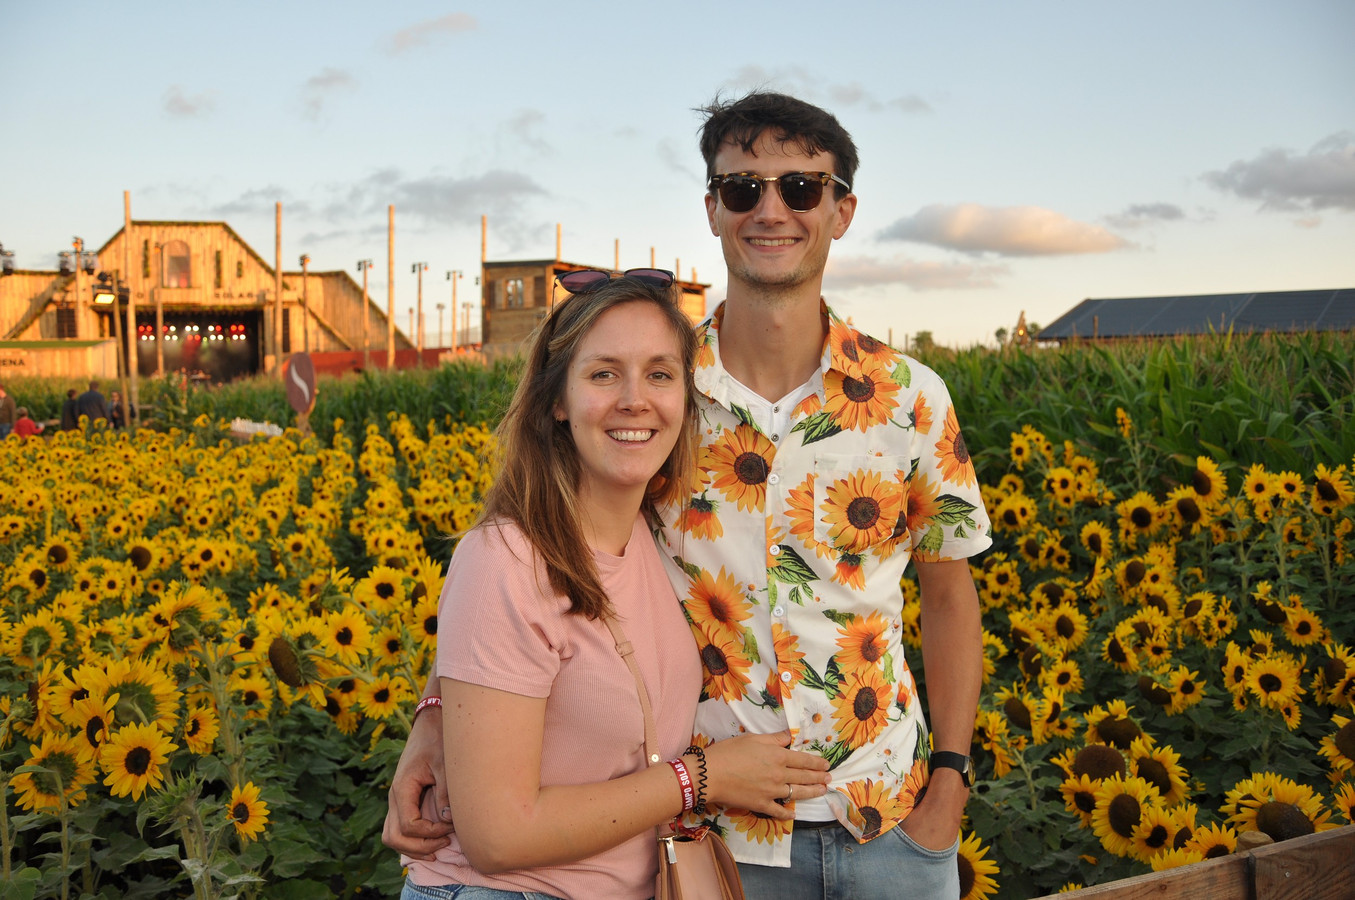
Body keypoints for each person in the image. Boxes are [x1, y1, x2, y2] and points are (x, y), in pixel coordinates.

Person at [386, 92, 992, 900]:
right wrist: (437, 716)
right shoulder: (656, 391)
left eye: (800, 188)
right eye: (742, 188)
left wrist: (948, 784)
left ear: (841, 210)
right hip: (713, 838)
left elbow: (949, 595)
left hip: (888, 819)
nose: (770, 209)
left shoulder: (913, 399)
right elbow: (535, 551)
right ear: (711, 207)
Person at [399, 273, 831, 900]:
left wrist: (435, 712)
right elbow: (496, 836)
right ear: (558, 401)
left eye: (660, 374)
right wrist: (702, 778)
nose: (635, 399)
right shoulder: (507, 559)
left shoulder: (655, 539)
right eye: (603, 374)